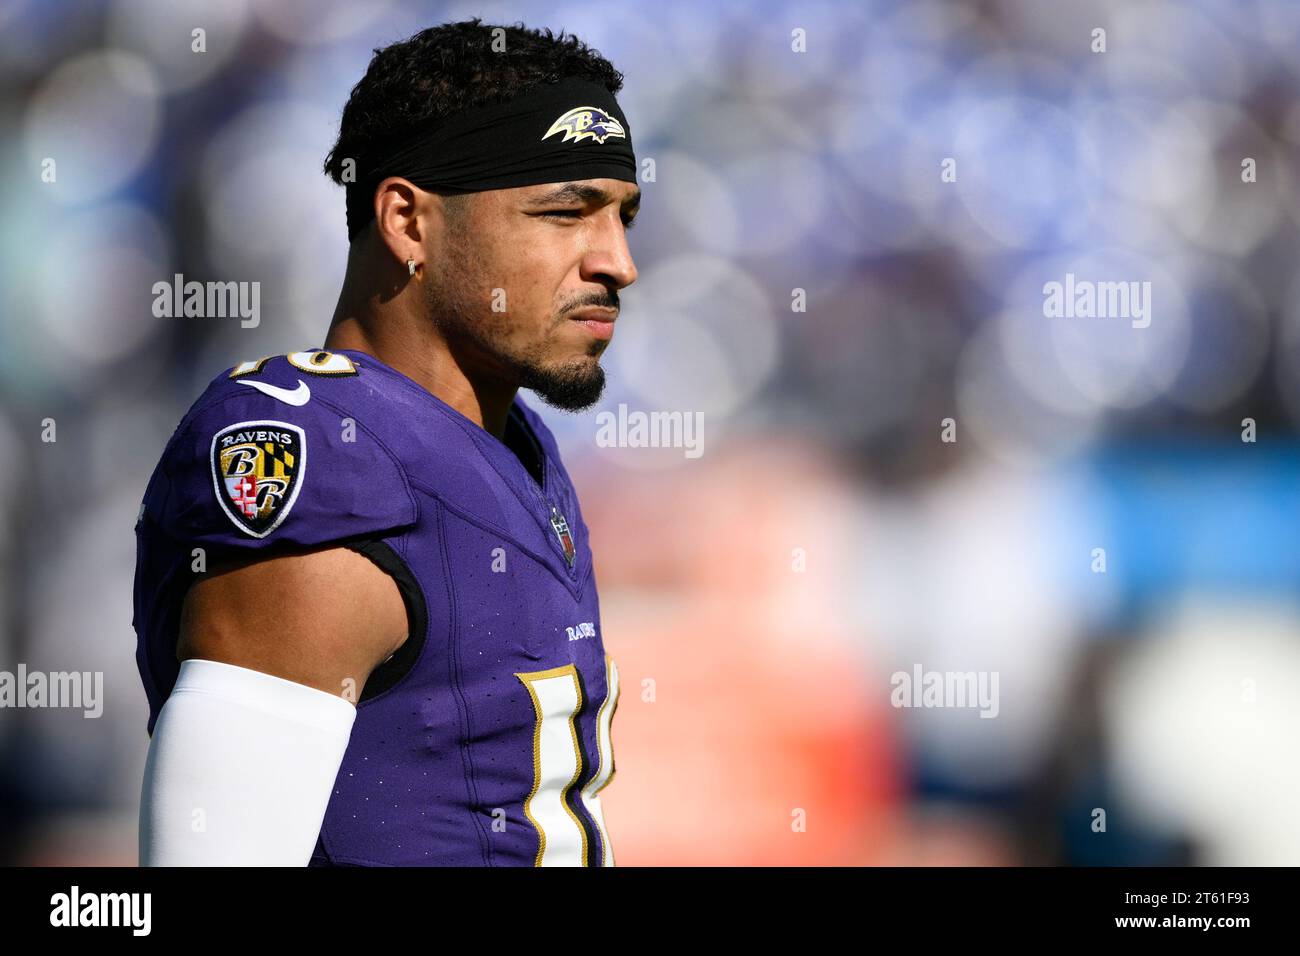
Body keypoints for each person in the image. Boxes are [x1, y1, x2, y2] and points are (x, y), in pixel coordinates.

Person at [133, 18, 640, 866]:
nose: (617, 262)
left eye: (623, 215)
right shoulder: (327, 455)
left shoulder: (513, 444)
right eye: (564, 214)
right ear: (407, 220)